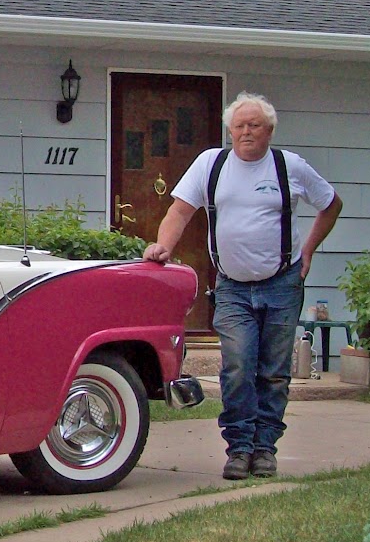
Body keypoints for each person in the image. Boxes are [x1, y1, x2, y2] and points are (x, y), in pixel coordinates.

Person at [143, 92, 343, 480]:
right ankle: (238, 448)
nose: (246, 132)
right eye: (239, 125)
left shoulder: (289, 167)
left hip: (283, 284)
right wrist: (163, 246)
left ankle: (265, 449)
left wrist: (309, 250)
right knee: (237, 367)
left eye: (254, 125)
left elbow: (331, 203)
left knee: (273, 371)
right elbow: (180, 210)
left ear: (269, 130)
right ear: (229, 130)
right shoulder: (211, 164)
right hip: (232, 287)